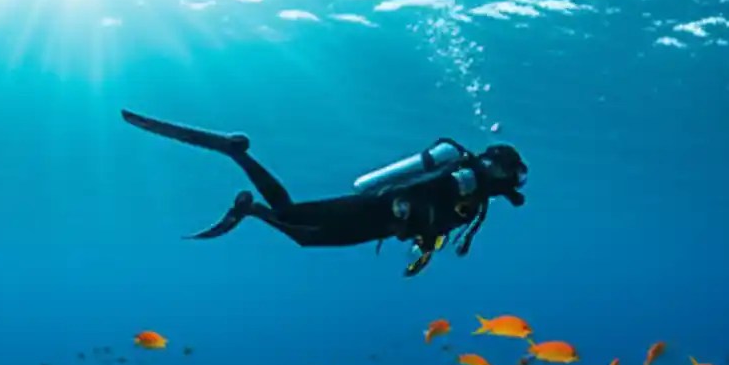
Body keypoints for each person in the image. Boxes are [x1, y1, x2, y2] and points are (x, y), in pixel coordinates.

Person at [121, 109, 528, 276]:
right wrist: (413, 223)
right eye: (514, 177)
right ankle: (244, 179)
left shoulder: (474, 193)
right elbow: (422, 194)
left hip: (379, 218)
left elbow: (435, 220)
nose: (513, 186)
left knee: (297, 221)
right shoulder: (468, 182)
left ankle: (245, 180)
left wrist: (424, 248)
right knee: (297, 225)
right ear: (503, 171)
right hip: (376, 212)